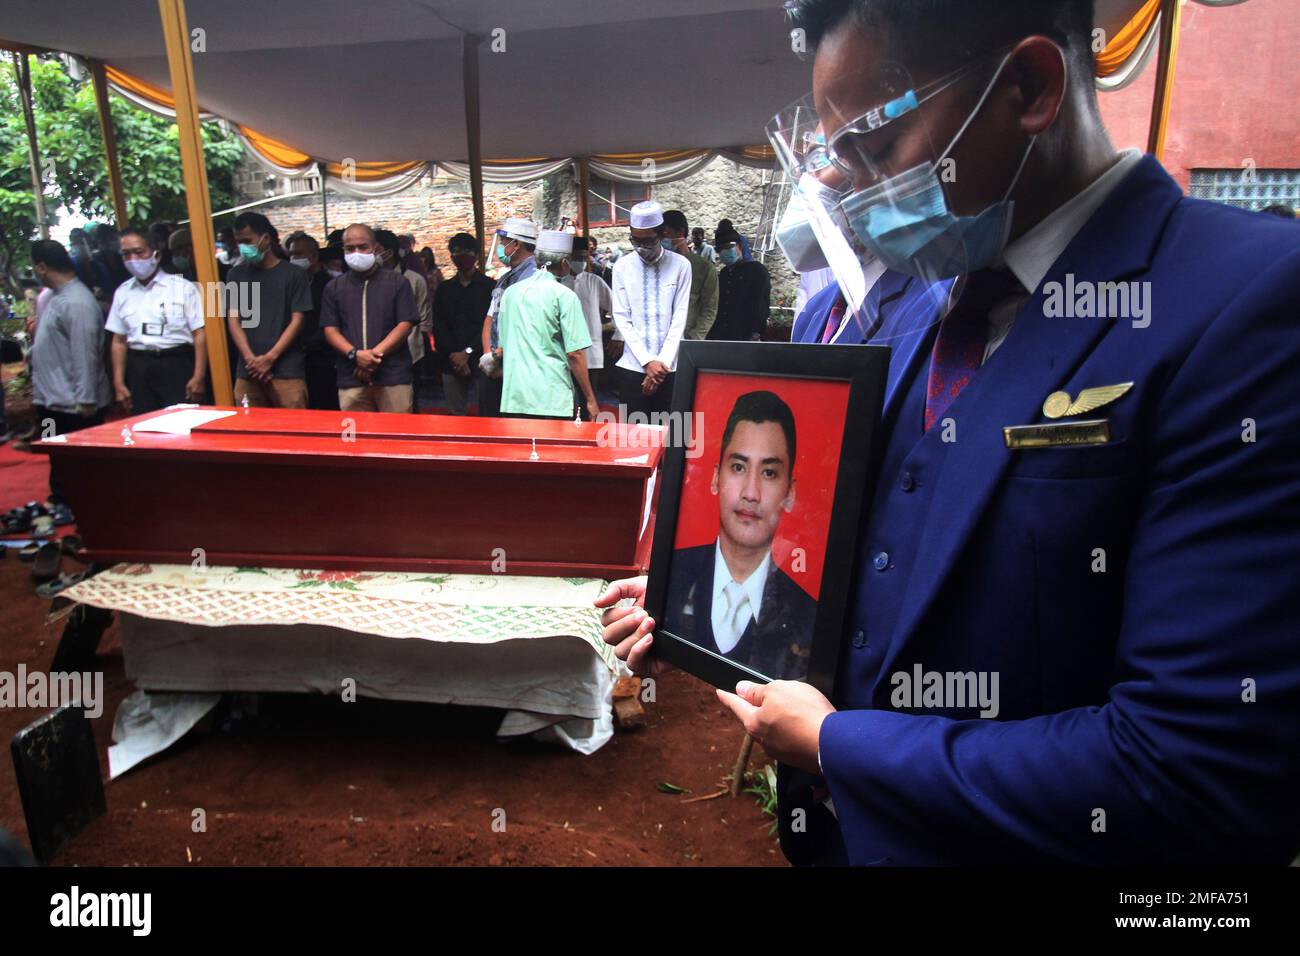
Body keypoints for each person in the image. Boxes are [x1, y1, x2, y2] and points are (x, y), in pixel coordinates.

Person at [599, 0, 1300, 867]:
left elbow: (1196, 766)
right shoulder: (908, 305)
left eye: (872, 145)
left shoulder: (1245, 305)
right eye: (834, 154)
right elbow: (862, 554)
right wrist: (700, 604)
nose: (846, 188)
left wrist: (841, 750)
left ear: (1029, 85)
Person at [665, 390, 815, 678]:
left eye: (769, 473)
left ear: (790, 493)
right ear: (715, 477)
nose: (750, 493)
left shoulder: (808, 616)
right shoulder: (669, 578)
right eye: (738, 467)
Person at [29, 240, 111, 520]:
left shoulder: (78, 301)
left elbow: (85, 355)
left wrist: (86, 399)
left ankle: (83, 508)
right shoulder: (53, 297)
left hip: (75, 402)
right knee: (60, 457)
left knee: (79, 463)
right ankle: (61, 499)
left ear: (41, 266)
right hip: (54, 398)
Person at [105, 227, 207, 414]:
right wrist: (118, 383)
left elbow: (199, 334)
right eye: (126, 254)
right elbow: (118, 341)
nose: (133, 259)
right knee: (144, 427)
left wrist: (198, 376)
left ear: (156, 255)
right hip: (139, 366)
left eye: (138, 252)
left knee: (183, 424)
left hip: (175, 364)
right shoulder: (122, 293)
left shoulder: (182, 288)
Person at [498, 230, 597, 421]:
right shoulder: (564, 296)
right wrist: (590, 398)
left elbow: (503, 345)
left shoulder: (510, 293)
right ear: (564, 263)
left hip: (515, 395)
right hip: (552, 397)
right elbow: (574, 354)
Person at [320, 223, 416, 413]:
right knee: (355, 439)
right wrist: (355, 355)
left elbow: (405, 324)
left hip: (392, 376)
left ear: (375, 248)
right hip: (351, 377)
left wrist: (372, 357)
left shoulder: (397, 282)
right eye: (350, 248)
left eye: (362, 247)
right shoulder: (334, 287)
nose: (356, 252)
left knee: (397, 437)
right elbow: (330, 329)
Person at [610, 200, 691, 417]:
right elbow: (622, 317)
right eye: (635, 240)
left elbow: (679, 317)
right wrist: (647, 361)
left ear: (662, 234)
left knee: (674, 437)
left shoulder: (681, 266)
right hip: (633, 366)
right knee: (636, 440)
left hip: (670, 368)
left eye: (647, 240)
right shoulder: (622, 267)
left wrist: (660, 364)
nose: (641, 246)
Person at [225, 212, 310, 408]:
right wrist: (250, 359)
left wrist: (270, 358)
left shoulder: (294, 274)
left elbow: (297, 321)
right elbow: (233, 320)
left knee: (292, 434)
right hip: (247, 372)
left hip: (287, 371)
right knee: (248, 434)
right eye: (239, 242)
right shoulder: (235, 275)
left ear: (266, 238)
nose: (243, 247)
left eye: (247, 240)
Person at [479, 218, 538, 417]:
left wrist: (497, 356)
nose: (502, 247)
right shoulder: (506, 278)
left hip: (519, 369)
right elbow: (490, 318)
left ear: (517, 244)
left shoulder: (533, 278)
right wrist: (489, 356)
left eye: (505, 242)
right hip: (497, 364)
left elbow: (524, 327)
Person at [433, 232, 494, 415]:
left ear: (475, 255)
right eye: (456, 251)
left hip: (482, 360)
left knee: (487, 411)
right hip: (451, 361)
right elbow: (440, 326)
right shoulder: (444, 289)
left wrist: (467, 353)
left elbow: (491, 325)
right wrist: (455, 356)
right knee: (455, 415)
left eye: (466, 251)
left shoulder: (489, 286)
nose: (460, 256)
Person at [375, 229, 433, 400]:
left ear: (389, 252)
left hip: (410, 352)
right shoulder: (365, 282)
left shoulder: (414, 280)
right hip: (374, 353)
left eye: (374, 248)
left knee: (407, 401)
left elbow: (424, 318)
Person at [287, 233, 338, 410]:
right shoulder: (292, 284)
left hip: (323, 360)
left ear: (314, 256)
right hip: (296, 361)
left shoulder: (329, 285)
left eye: (299, 254)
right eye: (291, 254)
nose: (294, 259)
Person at [562, 238, 613, 404]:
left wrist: (617, 334)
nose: (580, 261)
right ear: (567, 257)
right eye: (576, 257)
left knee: (589, 402)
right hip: (562, 353)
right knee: (565, 403)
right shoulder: (559, 284)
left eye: (584, 257)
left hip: (591, 353)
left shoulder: (594, 281)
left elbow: (618, 308)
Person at [708, 223, 771, 341]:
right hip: (722, 337)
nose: (723, 251)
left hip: (745, 337)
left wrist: (755, 333)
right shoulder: (724, 273)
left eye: (727, 247)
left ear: (740, 247)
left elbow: (761, 305)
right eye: (719, 249)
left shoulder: (757, 271)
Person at [663, 209, 719, 340]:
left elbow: (709, 308)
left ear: (680, 232)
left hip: (687, 339)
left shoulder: (704, 268)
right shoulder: (659, 266)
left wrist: (694, 339)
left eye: (666, 233)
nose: (661, 239)